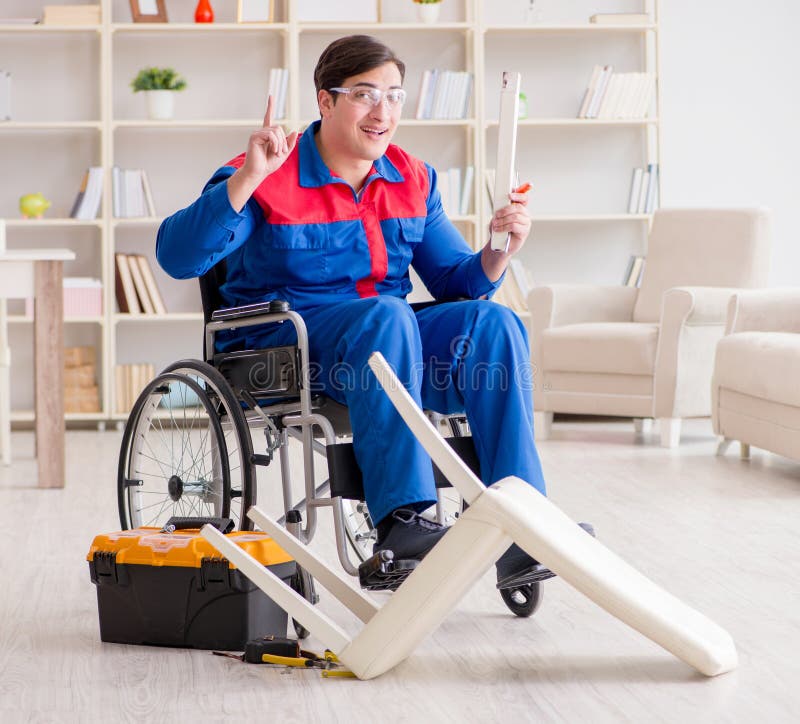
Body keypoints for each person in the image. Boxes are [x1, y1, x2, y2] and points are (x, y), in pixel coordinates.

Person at [157, 35, 588, 589]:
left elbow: (458, 281)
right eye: (364, 95)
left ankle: (522, 522)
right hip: (286, 354)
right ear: (325, 101)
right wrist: (248, 180)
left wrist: (499, 251)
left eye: (394, 96)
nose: (382, 112)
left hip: (388, 347)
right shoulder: (266, 172)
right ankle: (403, 522)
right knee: (386, 314)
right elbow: (177, 257)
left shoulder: (413, 178)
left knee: (496, 322)